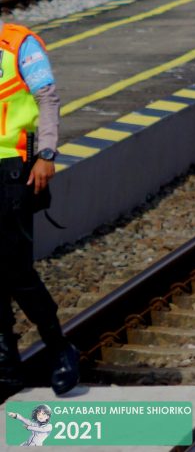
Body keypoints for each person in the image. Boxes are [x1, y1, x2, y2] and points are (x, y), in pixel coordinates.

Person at [0, 23, 82, 400]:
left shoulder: (20, 43)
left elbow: (47, 98)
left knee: (15, 268)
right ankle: (6, 366)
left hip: (13, 167)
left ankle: (58, 348)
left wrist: (47, 153)